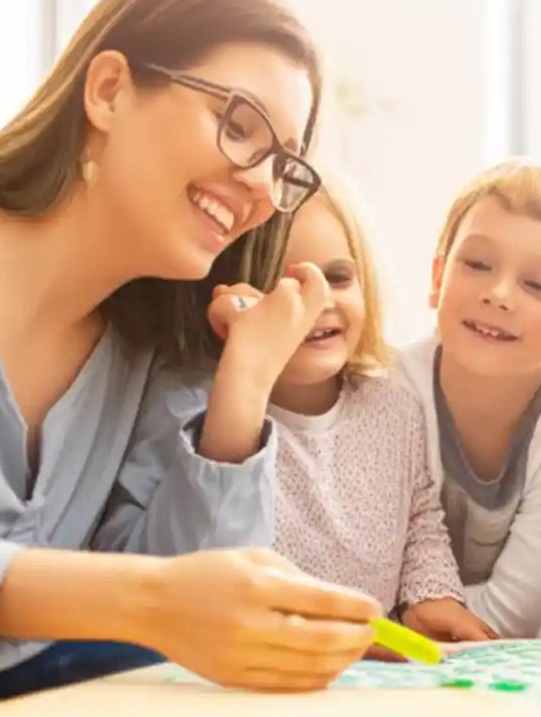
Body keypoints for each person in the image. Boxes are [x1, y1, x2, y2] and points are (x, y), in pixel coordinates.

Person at [0, 0, 381, 714]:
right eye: (239, 125)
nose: (260, 186)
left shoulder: (150, 351)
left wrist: (242, 386)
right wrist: (147, 602)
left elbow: (192, 645)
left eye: (283, 166)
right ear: (109, 91)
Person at [131, 172, 495, 642]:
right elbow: (195, 558)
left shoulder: (394, 407)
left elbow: (420, 515)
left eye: (338, 278)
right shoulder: (189, 407)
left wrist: (432, 597)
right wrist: (244, 376)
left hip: (370, 665)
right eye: (282, 285)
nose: (320, 301)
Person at [393, 160, 541, 638]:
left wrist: (399, 609)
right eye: (476, 264)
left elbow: (514, 617)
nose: (497, 294)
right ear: (437, 279)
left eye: (538, 285)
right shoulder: (387, 391)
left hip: (504, 651)